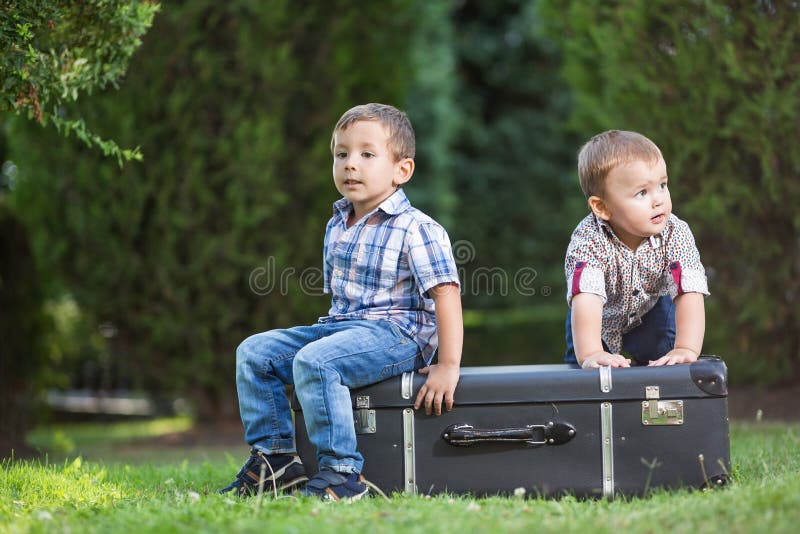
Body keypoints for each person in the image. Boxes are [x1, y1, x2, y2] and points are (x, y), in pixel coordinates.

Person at [220, 103, 463, 501]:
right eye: (341, 154)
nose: (351, 164)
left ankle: (342, 475)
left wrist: (448, 366)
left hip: (399, 335)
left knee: (316, 362)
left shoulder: (418, 228)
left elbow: (446, 295)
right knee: (255, 353)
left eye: (367, 154)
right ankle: (277, 460)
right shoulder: (337, 223)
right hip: (343, 328)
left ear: (402, 170)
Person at [563, 129, 708, 369]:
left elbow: (689, 291)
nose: (658, 199)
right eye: (642, 192)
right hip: (597, 317)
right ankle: (590, 393)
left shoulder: (676, 232)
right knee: (585, 372)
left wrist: (686, 348)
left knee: (668, 358)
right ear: (602, 207)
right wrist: (591, 353)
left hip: (650, 310)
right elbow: (586, 297)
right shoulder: (588, 240)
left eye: (662, 185)